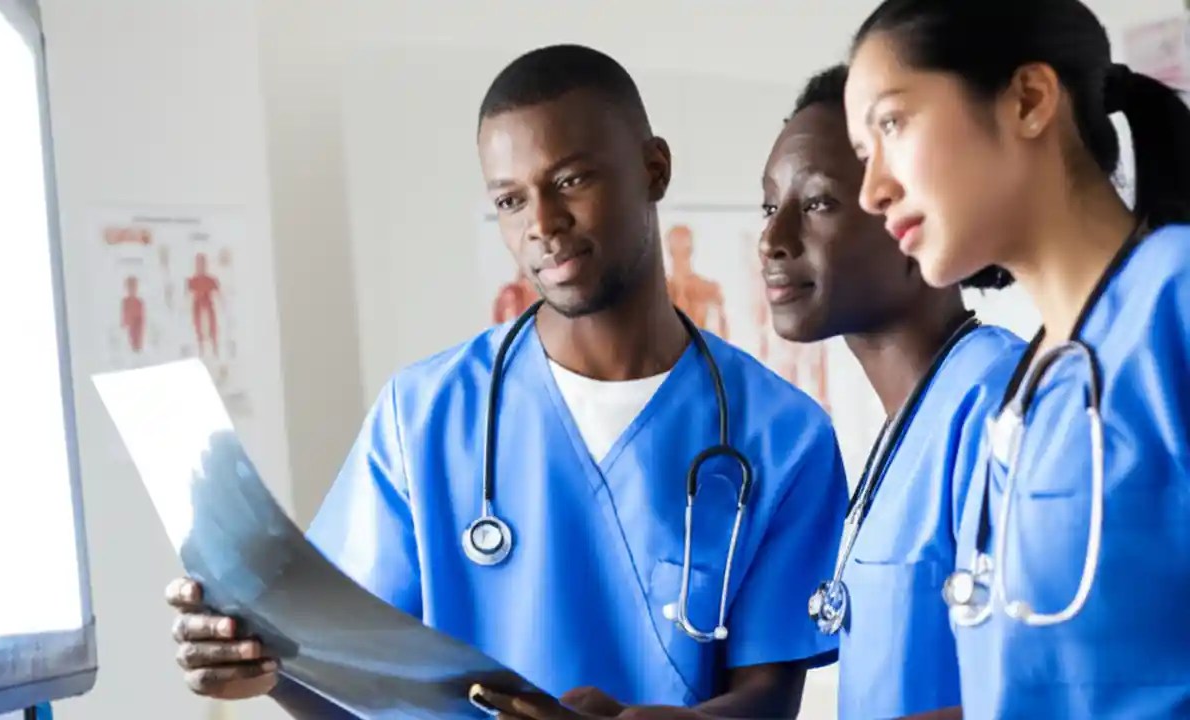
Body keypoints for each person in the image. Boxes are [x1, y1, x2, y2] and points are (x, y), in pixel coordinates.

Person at [167, 44, 847, 719]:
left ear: (653, 169)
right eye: (511, 200)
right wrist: (263, 666)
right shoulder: (423, 417)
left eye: (572, 182)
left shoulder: (783, 434)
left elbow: (768, 703)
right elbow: (351, 691)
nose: (543, 226)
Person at [844, 0, 1190, 717]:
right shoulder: (1029, 393)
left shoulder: (1174, 300)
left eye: (892, 124)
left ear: (1028, 101)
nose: (872, 190)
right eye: (862, 154)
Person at [759, 64, 1024, 719]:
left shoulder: (999, 404)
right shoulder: (912, 424)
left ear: (909, 213)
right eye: (770, 206)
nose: (773, 239)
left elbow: (1051, 694)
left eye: (817, 202)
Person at [664, 224, 729, 339]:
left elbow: (723, 337)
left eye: (684, 251)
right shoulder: (660, 292)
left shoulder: (709, 290)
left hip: (700, 352)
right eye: (677, 250)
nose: (680, 256)